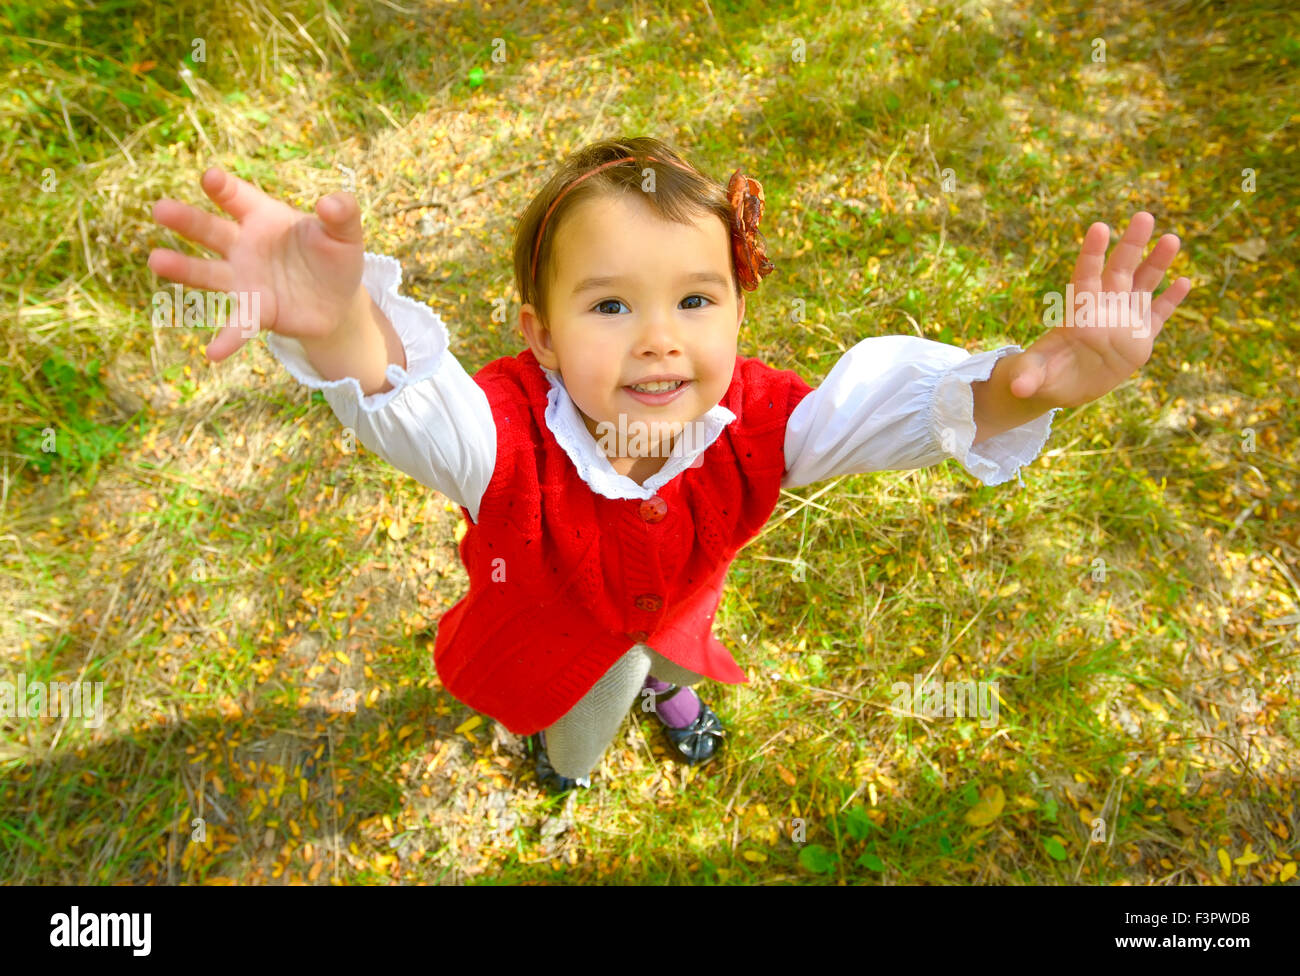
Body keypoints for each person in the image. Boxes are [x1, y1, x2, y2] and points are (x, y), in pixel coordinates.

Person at [148, 135, 1191, 793]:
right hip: (555, 632)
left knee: (676, 648)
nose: (659, 338)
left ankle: (674, 694)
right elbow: (410, 406)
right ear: (542, 335)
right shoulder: (505, 432)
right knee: (592, 696)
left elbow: (892, 414)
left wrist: (1027, 385)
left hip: (676, 601)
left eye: (695, 300)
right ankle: (564, 763)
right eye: (610, 305)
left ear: (739, 311)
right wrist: (340, 328)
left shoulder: (767, 420)